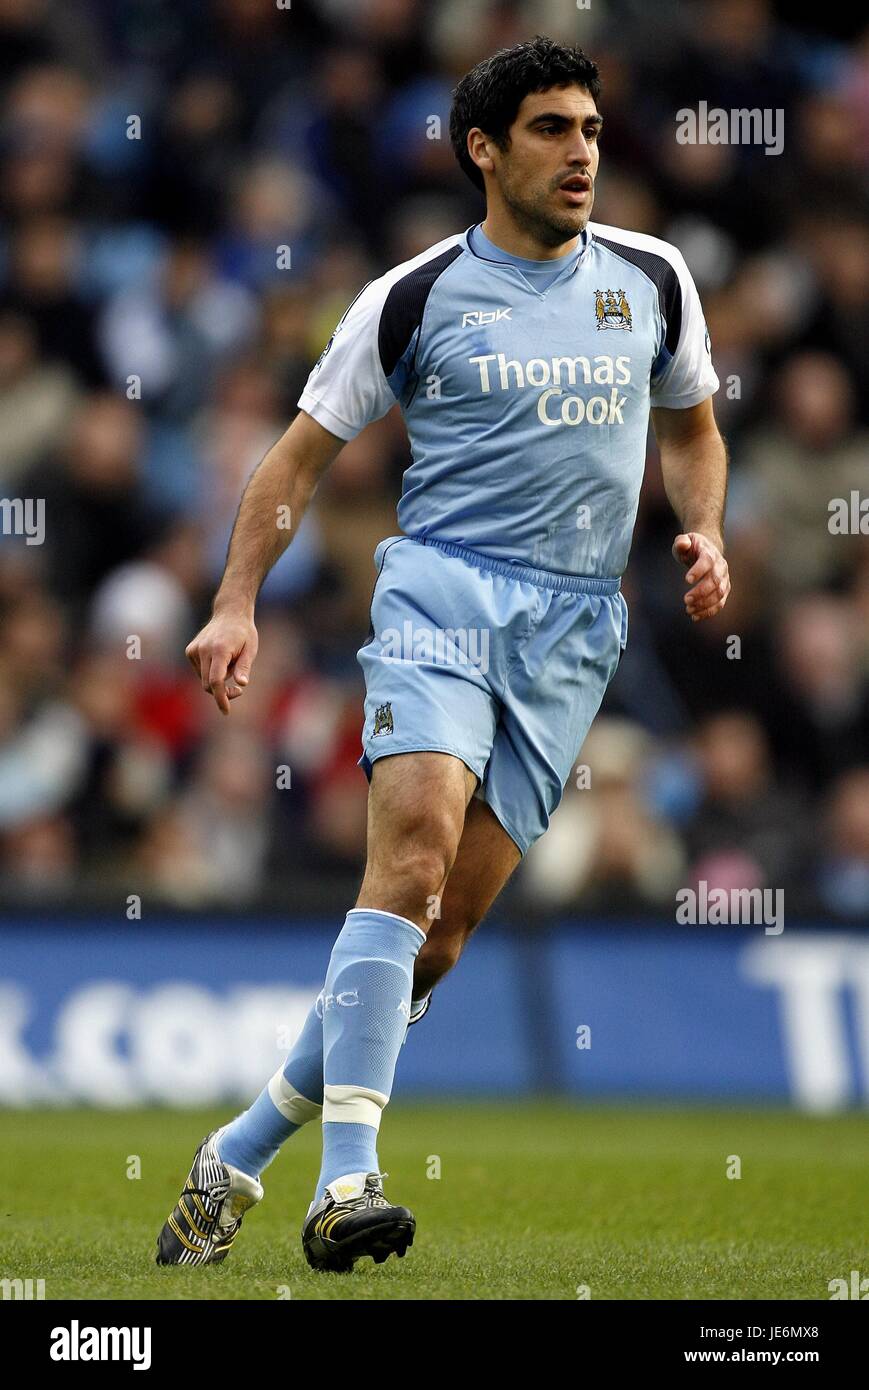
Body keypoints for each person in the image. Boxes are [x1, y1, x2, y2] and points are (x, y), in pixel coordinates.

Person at [157, 35, 730, 1274]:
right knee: (408, 852)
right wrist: (236, 600)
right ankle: (345, 1183)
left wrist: (701, 527)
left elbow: (689, 426)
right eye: (548, 130)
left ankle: (239, 1151)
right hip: (442, 596)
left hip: (576, 627)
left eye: (587, 128)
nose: (580, 152)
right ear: (483, 147)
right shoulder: (409, 296)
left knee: (439, 933)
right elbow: (295, 458)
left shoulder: (655, 279)